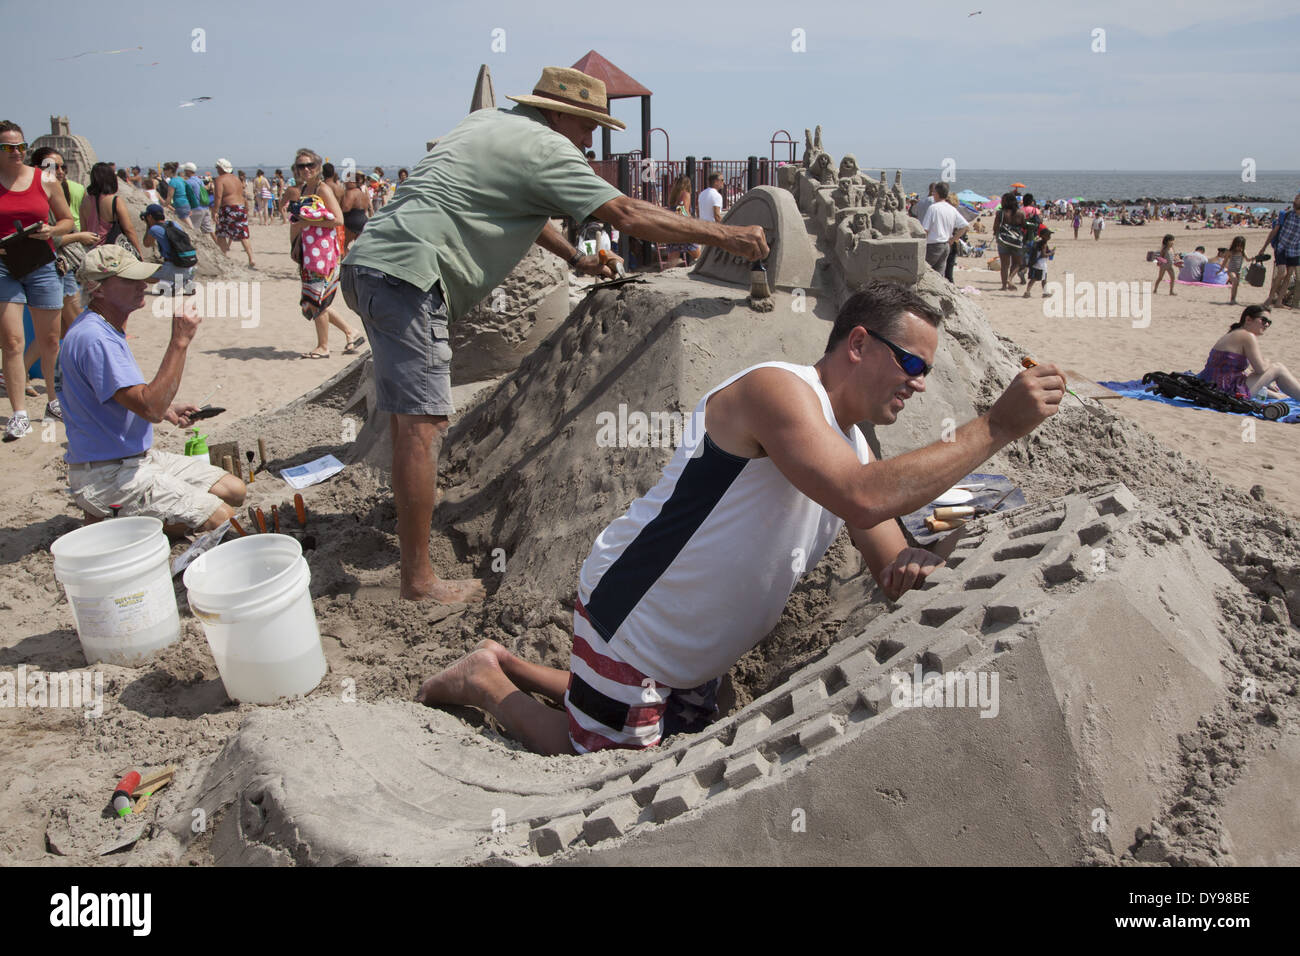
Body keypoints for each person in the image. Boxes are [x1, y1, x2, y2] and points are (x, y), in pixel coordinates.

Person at [415, 282, 1064, 754]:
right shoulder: (777, 391)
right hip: (636, 623)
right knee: (598, 755)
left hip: (692, 650)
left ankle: (517, 663)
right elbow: (863, 497)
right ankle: (484, 682)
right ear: (859, 343)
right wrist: (997, 426)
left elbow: (888, 551)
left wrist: (920, 556)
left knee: (675, 721)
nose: (921, 382)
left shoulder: (855, 444)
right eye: (913, 363)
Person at [341, 66, 768, 603]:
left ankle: (413, 517)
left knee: (411, 420)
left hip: (370, 266)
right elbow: (628, 213)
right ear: (561, 114)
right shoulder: (549, 148)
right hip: (410, 278)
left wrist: (575, 258)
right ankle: (419, 582)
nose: (592, 141)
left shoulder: (485, 126)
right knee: (421, 428)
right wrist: (727, 234)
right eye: (589, 127)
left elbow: (524, 209)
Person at [56, 246, 245, 531]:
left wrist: (167, 408)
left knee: (235, 490)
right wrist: (179, 341)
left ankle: (120, 516)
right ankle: (110, 516)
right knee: (225, 519)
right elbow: (149, 407)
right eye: (130, 280)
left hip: (134, 459)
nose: (142, 286)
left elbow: (119, 397)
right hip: (108, 474)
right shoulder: (96, 338)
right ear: (97, 289)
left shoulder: (102, 328)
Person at [0, 121, 75, 438]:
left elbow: (67, 221)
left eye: (21, 146)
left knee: (49, 341)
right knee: (13, 342)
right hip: (4, 264)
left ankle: (54, 401)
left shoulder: (44, 179)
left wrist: (52, 231)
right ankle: (18, 413)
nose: (17, 153)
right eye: (8, 147)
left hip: (41, 262)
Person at [283, 147, 364, 360]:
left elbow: (338, 219)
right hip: (309, 250)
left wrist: (307, 220)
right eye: (301, 166)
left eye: (310, 165)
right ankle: (350, 331)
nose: (306, 169)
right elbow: (297, 223)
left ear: (318, 167)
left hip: (322, 252)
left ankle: (323, 346)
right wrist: (294, 246)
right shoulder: (303, 191)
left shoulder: (322, 189)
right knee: (314, 299)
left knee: (316, 299)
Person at [30, 147, 97, 339]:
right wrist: (78, 236)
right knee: (77, 325)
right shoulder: (39, 198)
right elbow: (48, 238)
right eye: (52, 166)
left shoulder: (62, 191)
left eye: (62, 167)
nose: (59, 171)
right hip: (55, 266)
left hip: (61, 266)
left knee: (57, 332)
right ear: (36, 168)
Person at [1197, 306, 1299, 401]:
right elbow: (1261, 369)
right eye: (1263, 320)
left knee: (1253, 374)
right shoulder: (1248, 336)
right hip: (1225, 390)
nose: (1266, 325)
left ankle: (1274, 394)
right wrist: (1267, 361)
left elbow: (1236, 369)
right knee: (1278, 368)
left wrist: (1266, 382)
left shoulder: (1234, 333)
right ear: (1248, 319)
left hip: (1210, 384)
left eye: (1269, 322)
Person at [1255, 193, 1300, 309]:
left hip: (1295, 250)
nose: (1295, 201)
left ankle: (1279, 301)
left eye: (1298, 199)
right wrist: (1264, 247)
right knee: (1282, 273)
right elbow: (1274, 231)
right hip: (1282, 247)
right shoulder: (1286, 215)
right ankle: (1270, 299)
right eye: (1296, 199)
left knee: (1288, 275)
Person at [140, 203, 196, 295]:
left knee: (146, 277)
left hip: (174, 265)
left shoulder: (154, 229)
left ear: (149, 216)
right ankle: (186, 282)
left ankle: (172, 284)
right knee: (163, 269)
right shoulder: (173, 224)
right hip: (189, 264)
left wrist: (148, 225)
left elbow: (147, 244)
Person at [212, 158, 255, 267]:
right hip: (240, 208)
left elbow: (218, 197)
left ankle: (224, 256)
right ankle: (251, 258)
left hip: (228, 208)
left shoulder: (219, 179)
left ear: (221, 168)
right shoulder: (237, 179)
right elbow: (242, 194)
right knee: (243, 234)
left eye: (217, 168)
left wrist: (215, 211)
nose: (216, 170)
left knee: (221, 233)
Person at [919, 183, 966, 276]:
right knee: (939, 275)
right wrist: (952, 240)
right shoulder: (951, 208)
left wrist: (921, 245)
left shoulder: (933, 208)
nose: (933, 194)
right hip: (946, 245)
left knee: (922, 271)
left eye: (934, 192)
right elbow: (964, 226)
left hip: (933, 245)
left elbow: (925, 230)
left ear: (937, 193)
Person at [662, 173, 698, 268]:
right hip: (682, 227)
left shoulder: (673, 196)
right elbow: (682, 210)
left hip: (672, 226)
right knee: (697, 255)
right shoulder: (686, 194)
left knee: (673, 257)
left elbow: (675, 209)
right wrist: (691, 219)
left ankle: (665, 275)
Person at [993, 192, 1024, 290]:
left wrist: (996, 235)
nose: (1001, 202)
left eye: (1002, 201)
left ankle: (1003, 286)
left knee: (1004, 265)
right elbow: (1024, 227)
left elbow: (995, 227)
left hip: (1003, 241)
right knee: (1017, 263)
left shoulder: (1000, 213)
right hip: (1017, 241)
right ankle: (1010, 279)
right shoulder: (1020, 213)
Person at [340, 170, 371, 255]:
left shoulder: (351, 192)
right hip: (363, 220)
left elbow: (346, 207)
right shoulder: (362, 193)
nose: (345, 182)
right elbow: (366, 207)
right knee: (360, 248)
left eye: (347, 180)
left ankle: (345, 265)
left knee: (343, 245)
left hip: (351, 221)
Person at [1023, 226, 1054, 298]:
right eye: (1048, 235)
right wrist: (1051, 253)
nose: (1050, 237)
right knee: (1035, 279)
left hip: (1038, 263)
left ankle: (1043, 292)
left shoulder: (1039, 242)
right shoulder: (1044, 244)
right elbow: (1043, 255)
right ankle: (1027, 292)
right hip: (1041, 264)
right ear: (1043, 236)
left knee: (1041, 279)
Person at [1220, 235, 1247, 305]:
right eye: (1238, 245)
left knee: (1235, 285)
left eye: (1241, 246)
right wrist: (1220, 270)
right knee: (1235, 281)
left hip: (1238, 271)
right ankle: (1232, 299)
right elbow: (1225, 261)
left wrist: (1255, 258)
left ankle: (1233, 299)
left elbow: (1248, 259)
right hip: (1231, 270)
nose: (1239, 247)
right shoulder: (1230, 252)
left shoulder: (1243, 252)